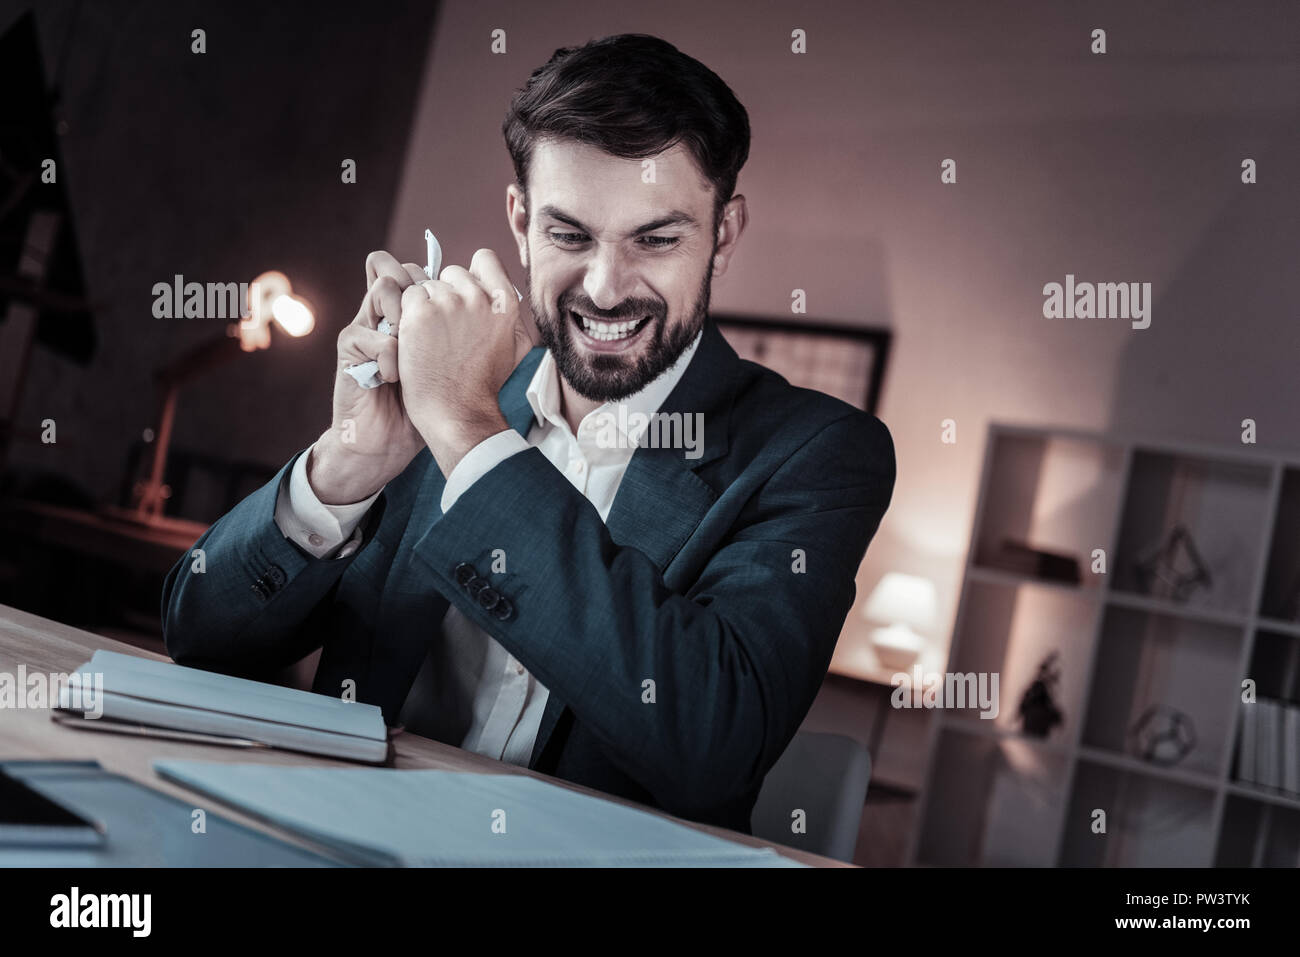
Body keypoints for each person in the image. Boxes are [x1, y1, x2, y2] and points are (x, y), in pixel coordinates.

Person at [162, 33, 895, 833]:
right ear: (519, 220)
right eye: (570, 235)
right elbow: (200, 636)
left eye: (656, 238)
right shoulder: (440, 391)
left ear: (723, 233)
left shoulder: (818, 455)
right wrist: (349, 461)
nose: (607, 288)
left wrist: (473, 439)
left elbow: (709, 743)